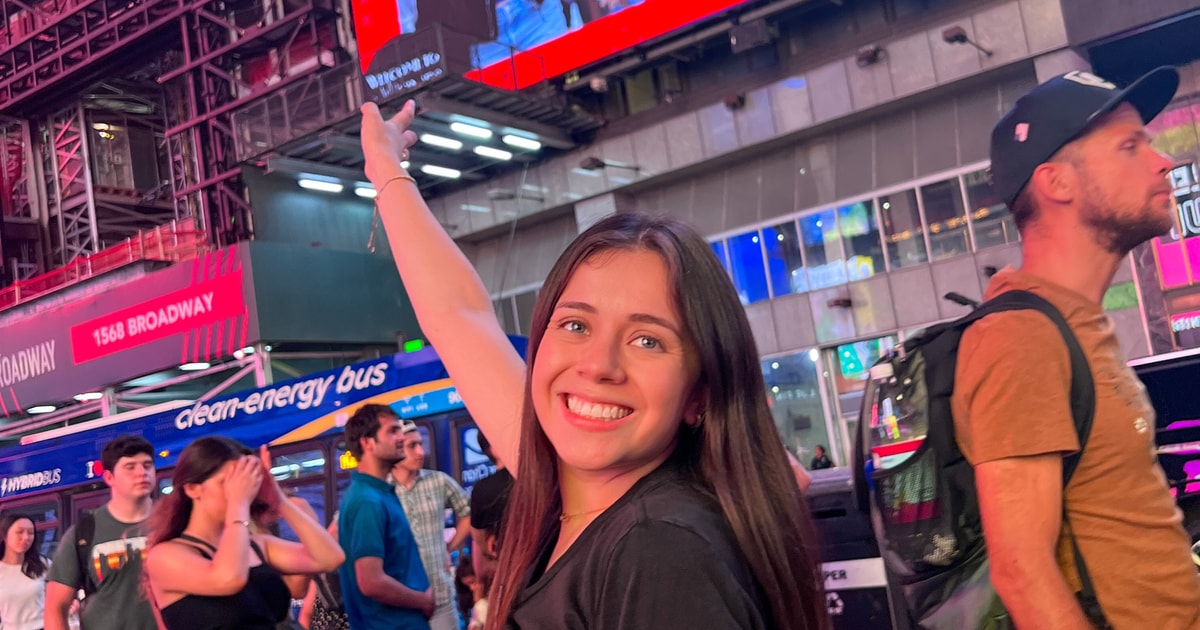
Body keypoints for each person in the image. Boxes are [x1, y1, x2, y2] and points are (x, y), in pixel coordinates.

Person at [359, 99, 827, 629]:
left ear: (699, 395)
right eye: (576, 326)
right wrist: (384, 166)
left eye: (648, 340)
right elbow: (458, 315)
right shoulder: (571, 498)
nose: (599, 365)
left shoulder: (659, 550)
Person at [952, 66, 1200, 629]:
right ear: (1056, 183)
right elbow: (1022, 573)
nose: (1162, 161)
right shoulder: (1020, 337)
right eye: (1130, 147)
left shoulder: (1074, 321)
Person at [143, 437, 344, 630]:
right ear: (193, 489)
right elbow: (228, 578)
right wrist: (238, 504)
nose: (239, 490)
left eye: (243, 482)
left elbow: (329, 558)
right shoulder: (164, 556)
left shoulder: (257, 545)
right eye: (226, 483)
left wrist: (278, 498)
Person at [46, 435, 158, 630]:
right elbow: (56, 607)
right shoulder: (83, 534)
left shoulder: (174, 523)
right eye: (130, 467)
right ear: (109, 477)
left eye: (147, 465)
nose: (142, 473)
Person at [338, 404, 434, 630]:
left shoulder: (379, 493)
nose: (401, 437)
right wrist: (423, 600)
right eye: (392, 431)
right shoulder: (367, 501)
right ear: (367, 442)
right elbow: (371, 582)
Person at [390, 422, 472, 630]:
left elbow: (469, 512)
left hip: (440, 599)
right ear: (396, 450)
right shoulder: (382, 489)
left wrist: (449, 547)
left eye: (421, 444)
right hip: (399, 603)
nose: (421, 451)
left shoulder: (438, 481)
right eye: (412, 446)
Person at [467, 430, 512, 583]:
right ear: (493, 448)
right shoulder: (539, 476)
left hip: (508, 572)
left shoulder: (482, 489)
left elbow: (481, 542)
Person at [0, 513, 49, 630]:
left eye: (30, 533)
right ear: (5, 535)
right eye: (19, 532)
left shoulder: (43, 564)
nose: (26, 537)